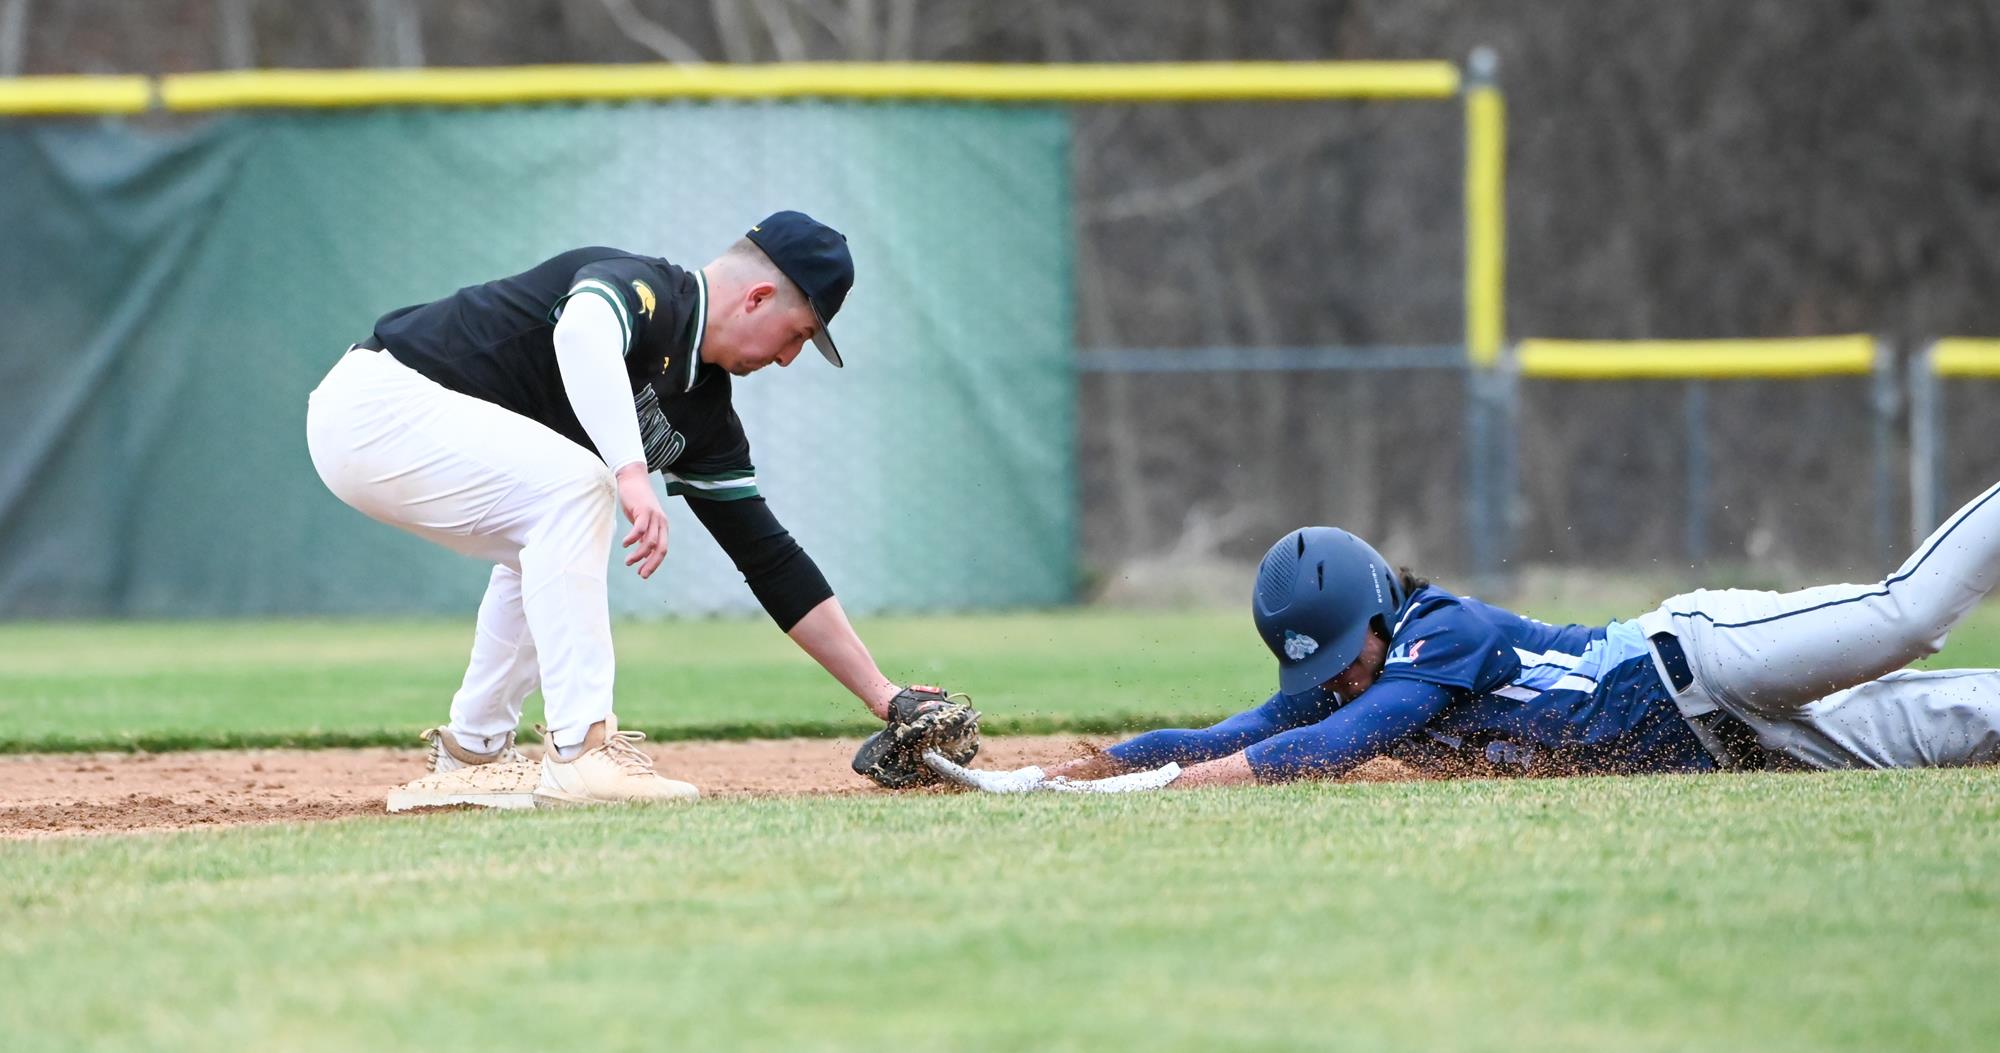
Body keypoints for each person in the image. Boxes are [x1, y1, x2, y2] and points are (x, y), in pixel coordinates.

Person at [307, 212, 939, 809]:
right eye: (798, 333)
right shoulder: (648, 291)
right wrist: (630, 472)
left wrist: (883, 695)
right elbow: (582, 331)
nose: (788, 357)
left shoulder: (704, 414)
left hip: (402, 432)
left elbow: (767, 557)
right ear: (758, 297)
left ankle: (473, 750)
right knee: (580, 490)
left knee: (552, 536)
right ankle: (582, 750)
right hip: (378, 405)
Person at [949, 479, 2000, 793]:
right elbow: (1239, 730)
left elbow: (1331, 747)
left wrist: (1165, 791)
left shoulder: (1439, 631)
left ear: (1378, 611)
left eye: (1344, 656)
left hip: (1700, 658)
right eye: (1322, 669)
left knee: (1907, 616)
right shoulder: (1351, 674)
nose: (1337, 679)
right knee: (1972, 728)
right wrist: (1059, 776)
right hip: (1735, 748)